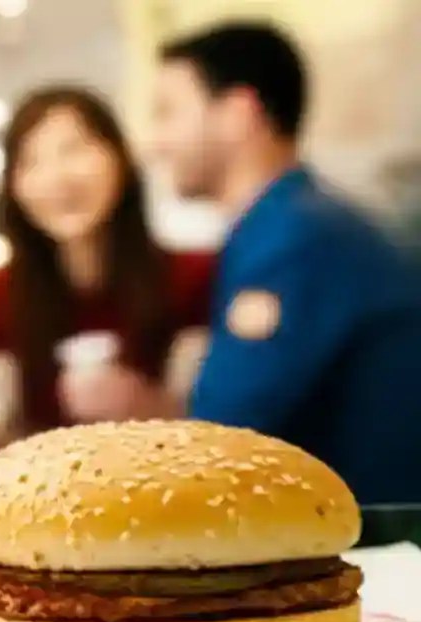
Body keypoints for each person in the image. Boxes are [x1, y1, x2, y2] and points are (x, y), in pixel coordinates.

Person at [153, 22, 421, 504]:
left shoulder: (294, 238)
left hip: (383, 545)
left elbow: (223, 434)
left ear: (238, 113)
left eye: (168, 113)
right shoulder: (289, 220)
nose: (156, 142)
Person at [0, 87, 215, 445]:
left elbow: (208, 424)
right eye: (31, 161)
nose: (58, 178)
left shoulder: (191, 278)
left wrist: (143, 404)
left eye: (74, 150)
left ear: (120, 158)